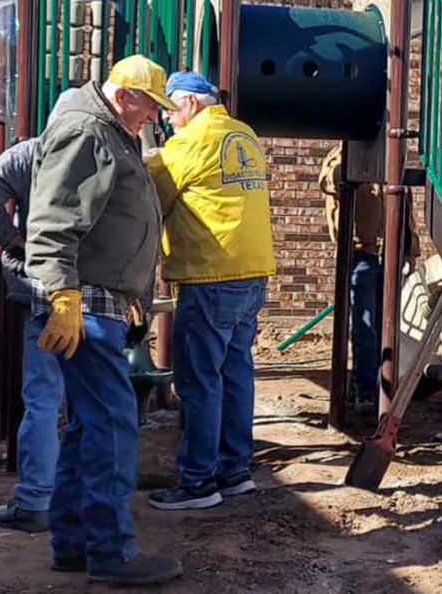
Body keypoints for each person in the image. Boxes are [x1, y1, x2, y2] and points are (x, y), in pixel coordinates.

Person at [26, 55, 180, 587]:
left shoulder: (109, 131)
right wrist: (63, 295)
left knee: (91, 423)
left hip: (98, 300)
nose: (152, 119)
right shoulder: (88, 131)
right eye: (150, 108)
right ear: (125, 97)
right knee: (114, 422)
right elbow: (53, 218)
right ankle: (111, 551)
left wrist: (130, 289)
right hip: (84, 304)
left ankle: (74, 543)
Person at [145, 71, 275, 512]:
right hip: (252, 273)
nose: (168, 122)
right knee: (236, 373)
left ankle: (198, 480)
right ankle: (235, 469)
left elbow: (150, 199)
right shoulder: (244, 134)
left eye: (170, 111)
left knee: (199, 380)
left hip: (209, 275)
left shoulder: (189, 142)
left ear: (193, 104)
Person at [0, 135, 56, 533]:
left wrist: (12, 242)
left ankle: (37, 499)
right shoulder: (109, 147)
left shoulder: (34, 151)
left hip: (43, 291)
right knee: (95, 403)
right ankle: (87, 499)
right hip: (97, 294)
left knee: (43, 399)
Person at [318, 143, 420, 418]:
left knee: (385, 325)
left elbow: (405, 208)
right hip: (361, 254)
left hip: (389, 255)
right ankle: (365, 388)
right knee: (365, 327)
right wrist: (350, 168)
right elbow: (330, 181)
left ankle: (378, 385)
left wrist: (411, 249)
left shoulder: (391, 160)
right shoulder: (342, 155)